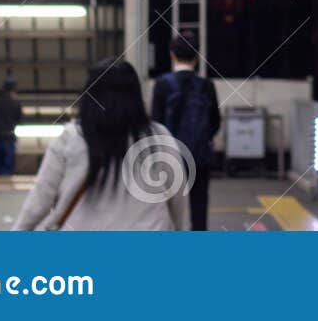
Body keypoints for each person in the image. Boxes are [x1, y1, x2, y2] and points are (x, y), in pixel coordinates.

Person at [12, 58, 187, 231]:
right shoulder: (159, 136)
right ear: (136, 95)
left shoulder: (72, 137)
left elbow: (41, 198)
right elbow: (178, 201)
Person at [150, 35, 221, 231]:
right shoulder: (206, 86)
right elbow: (215, 123)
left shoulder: (162, 84)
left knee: (168, 210)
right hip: (200, 155)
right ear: (197, 57)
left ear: (172, 55)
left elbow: (155, 123)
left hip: (169, 158)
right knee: (199, 209)